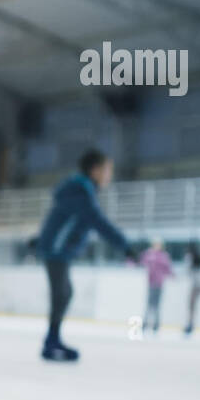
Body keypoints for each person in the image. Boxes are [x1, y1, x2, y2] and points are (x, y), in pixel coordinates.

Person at [35, 148, 138, 362]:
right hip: (56, 249)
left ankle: (52, 339)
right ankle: (51, 343)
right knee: (61, 294)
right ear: (95, 170)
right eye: (107, 170)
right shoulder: (80, 193)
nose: (109, 175)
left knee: (65, 293)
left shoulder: (80, 190)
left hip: (58, 248)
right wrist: (125, 246)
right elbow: (98, 222)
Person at [139, 238, 174, 335]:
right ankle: (145, 324)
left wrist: (172, 275)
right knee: (149, 304)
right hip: (151, 283)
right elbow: (142, 261)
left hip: (159, 284)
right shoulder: (149, 254)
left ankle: (156, 325)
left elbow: (168, 268)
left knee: (157, 305)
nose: (157, 246)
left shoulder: (164, 256)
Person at [182, 244, 200, 336]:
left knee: (192, 306)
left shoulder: (194, 268)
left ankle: (190, 324)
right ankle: (190, 324)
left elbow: (187, 270)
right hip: (197, 285)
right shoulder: (198, 268)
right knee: (192, 306)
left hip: (197, 286)